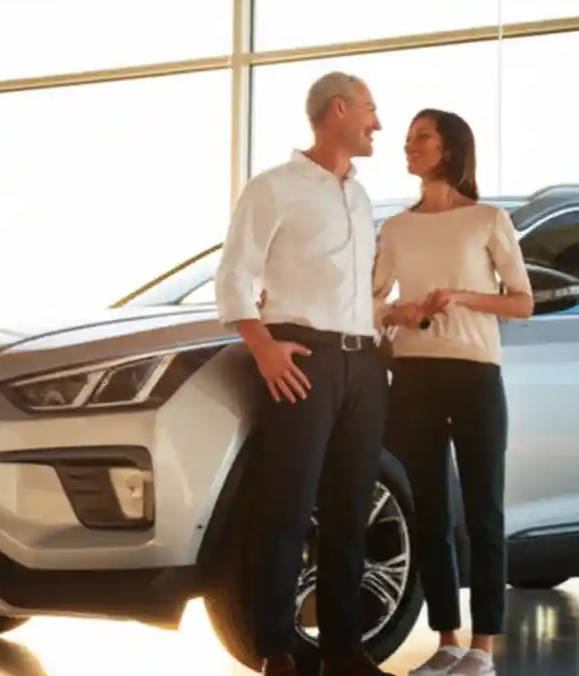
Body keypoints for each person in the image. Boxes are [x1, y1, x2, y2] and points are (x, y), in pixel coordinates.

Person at [215, 72, 392, 676]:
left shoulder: (360, 197)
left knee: (351, 508)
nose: (378, 123)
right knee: (286, 507)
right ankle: (275, 651)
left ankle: (344, 649)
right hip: (303, 360)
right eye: (370, 109)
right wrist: (262, 346)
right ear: (338, 109)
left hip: (363, 363)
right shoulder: (273, 187)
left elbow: (357, 289)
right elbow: (234, 274)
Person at [373, 109, 534, 676]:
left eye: (421, 137)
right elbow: (371, 302)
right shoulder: (396, 229)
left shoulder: (488, 220)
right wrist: (398, 312)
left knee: (484, 512)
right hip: (413, 376)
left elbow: (522, 301)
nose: (408, 145)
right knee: (429, 515)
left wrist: (461, 297)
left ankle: (482, 649)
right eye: (407, 137)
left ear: (449, 149)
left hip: (475, 376)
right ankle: (446, 642)